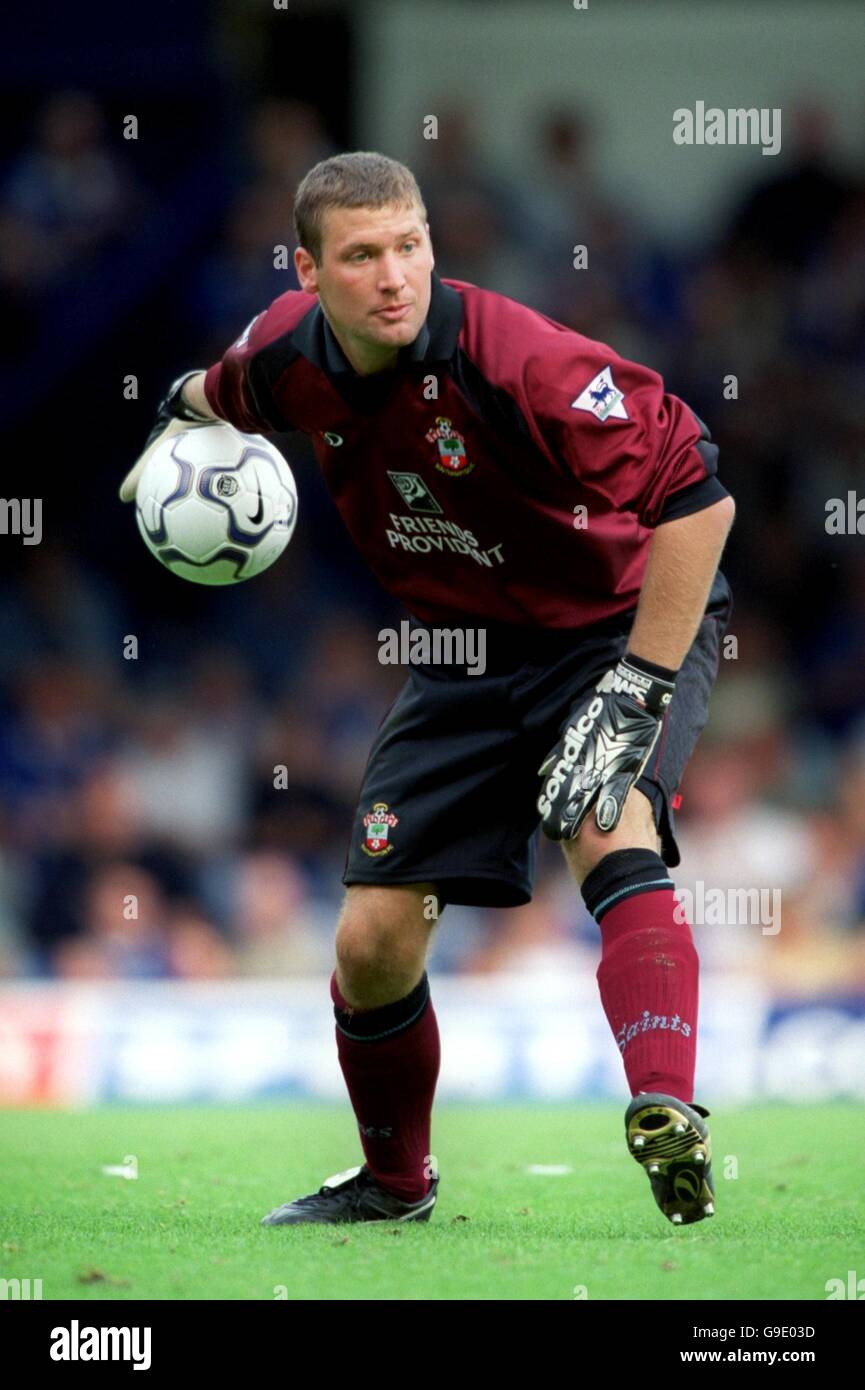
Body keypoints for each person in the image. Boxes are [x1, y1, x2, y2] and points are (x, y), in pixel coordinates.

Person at [121, 151, 735, 1229]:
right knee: (369, 940)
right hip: (462, 651)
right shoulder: (280, 359)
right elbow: (207, 389)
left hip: (613, 626)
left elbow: (698, 495)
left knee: (608, 826)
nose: (395, 274)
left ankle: (665, 1107)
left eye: (410, 245)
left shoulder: (523, 361)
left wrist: (641, 682)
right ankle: (394, 1182)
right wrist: (165, 434)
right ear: (308, 271)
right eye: (363, 256)